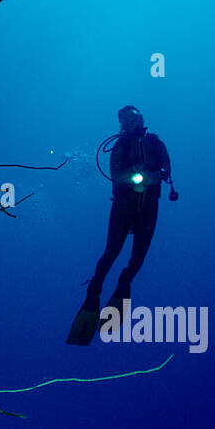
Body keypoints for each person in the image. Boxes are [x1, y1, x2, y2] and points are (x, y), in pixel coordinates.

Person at [67, 105, 177, 346]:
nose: (128, 123)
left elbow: (167, 172)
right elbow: (115, 175)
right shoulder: (119, 146)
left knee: (138, 258)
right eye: (123, 120)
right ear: (121, 124)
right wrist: (137, 176)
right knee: (111, 253)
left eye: (131, 117)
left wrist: (151, 176)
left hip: (149, 205)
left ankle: (123, 286)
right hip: (124, 205)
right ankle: (94, 291)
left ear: (139, 118)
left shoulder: (156, 143)